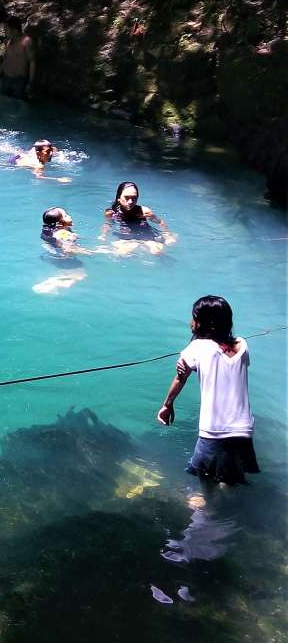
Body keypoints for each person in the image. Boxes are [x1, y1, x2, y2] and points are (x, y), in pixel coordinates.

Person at [157, 295, 259, 486]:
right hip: (244, 431)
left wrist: (167, 405)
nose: (190, 322)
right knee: (231, 481)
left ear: (205, 323)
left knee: (206, 484)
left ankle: (203, 515)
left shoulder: (197, 347)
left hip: (214, 431)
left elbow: (181, 377)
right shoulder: (243, 345)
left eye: (194, 318)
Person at [100, 181, 175, 251]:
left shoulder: (144, 211)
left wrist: (167, 234)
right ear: (119, 198)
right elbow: (109, 223)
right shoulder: (111, 212)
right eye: (127, 197)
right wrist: (103, 235)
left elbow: (160, 222)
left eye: (134, 198)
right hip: (126, 237)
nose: (130, 202)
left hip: (146, 236)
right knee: (122, 253)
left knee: (156, 251)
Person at [0, 16, 35, 99]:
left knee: (18, 104)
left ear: (14, 30)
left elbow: (32, 62)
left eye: (6, 30)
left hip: (19, 81)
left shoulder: (27, 42)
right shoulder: (9, 42)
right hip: (6, 79)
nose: (4, 32)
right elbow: (5, 61)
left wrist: (31, 83)